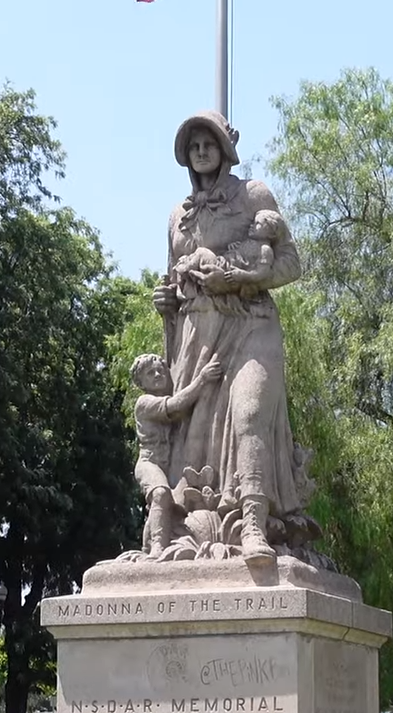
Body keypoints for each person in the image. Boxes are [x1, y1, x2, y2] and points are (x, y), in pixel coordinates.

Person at [150, 110, 309, 567]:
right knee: (193, 442)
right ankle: (181, 533)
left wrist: (238, 279)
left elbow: (291, 264)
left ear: (225, 148)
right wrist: (167, 301)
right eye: (194, 146)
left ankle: (255, 525)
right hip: (198, 333)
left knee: (252, 412)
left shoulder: (253, 194)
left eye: (209, 143)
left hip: (251, 323)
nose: (201, 152)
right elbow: (172, 279)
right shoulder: (177, 215)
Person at [131, 352, 224, 555]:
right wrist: (202, 379)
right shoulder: (144, 403)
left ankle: (151, 542)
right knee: (160, 493)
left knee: (169, 502)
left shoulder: (167, 394)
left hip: (168, 464)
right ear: (142, 383)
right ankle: (157, 547)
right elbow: (174, 407)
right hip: (150, 463)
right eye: (150, 373)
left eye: (160, 370)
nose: (157, 374)